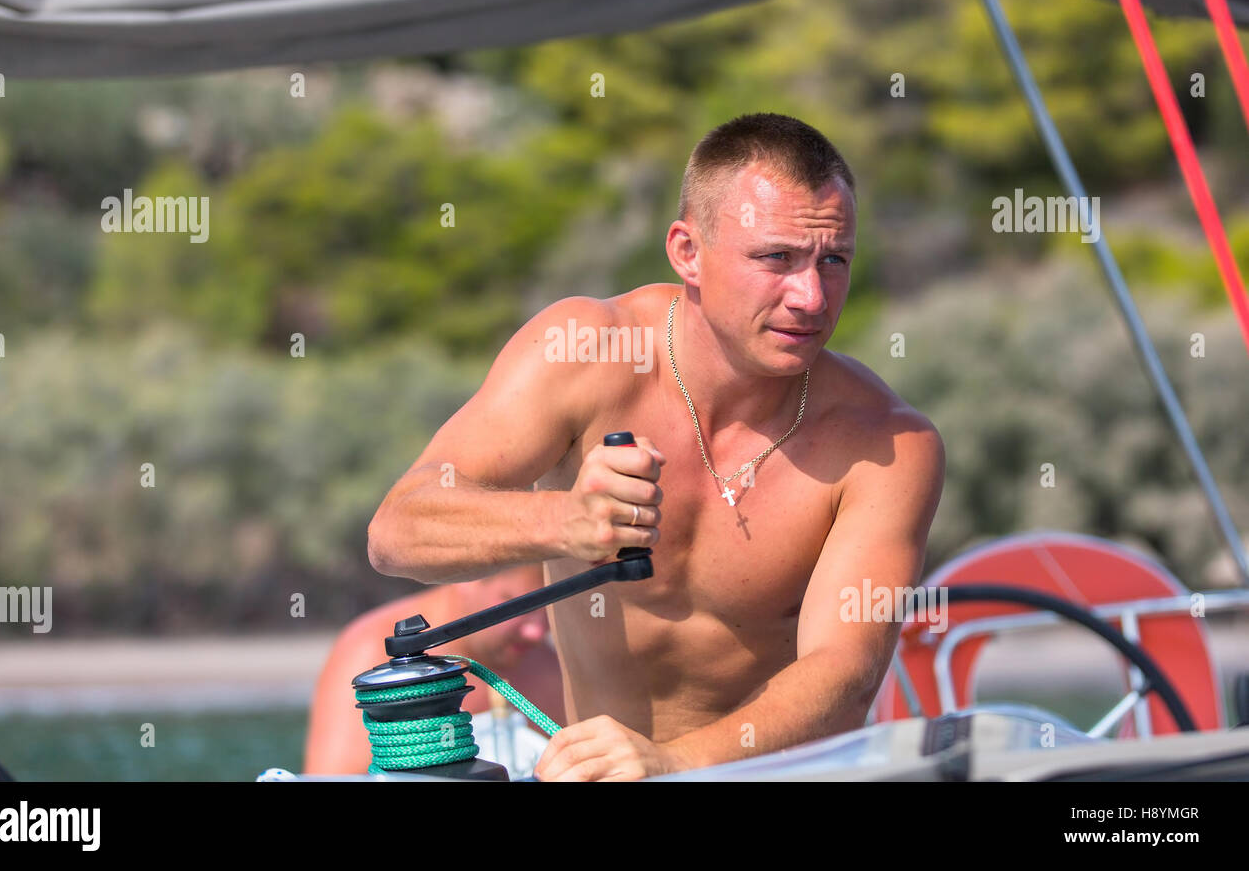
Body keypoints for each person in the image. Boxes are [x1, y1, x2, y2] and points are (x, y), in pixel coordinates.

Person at [367, 112, 946, 781]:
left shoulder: (888, 442)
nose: (811, 296)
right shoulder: (585, 352)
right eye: (776, 258)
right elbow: (396, 531)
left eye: (834, 260)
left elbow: (845, 669)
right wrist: (566, 521)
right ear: (687, 252)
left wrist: (674, 762)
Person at [303, 562, 564, 775]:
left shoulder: (548, 668)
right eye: (516, 606)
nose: (537, 631)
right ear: (467, 579)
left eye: (548, 609)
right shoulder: (365, 651)